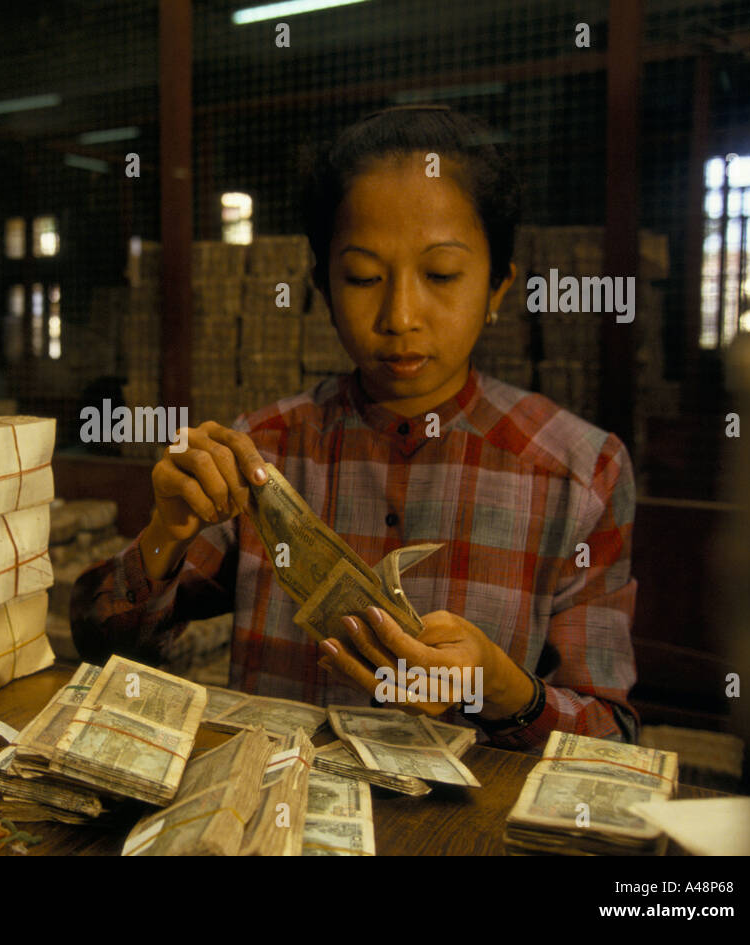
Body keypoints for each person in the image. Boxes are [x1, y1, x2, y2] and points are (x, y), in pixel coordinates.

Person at [69, 105, 639, 751]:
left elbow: (610, 737)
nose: (399, 315)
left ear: (498, 286)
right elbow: (100, 641)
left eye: (442, 275)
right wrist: (164, 533)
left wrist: (503, 688)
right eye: (364, 276)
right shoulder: (264, 453)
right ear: (323, 285)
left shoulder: (581, 474)